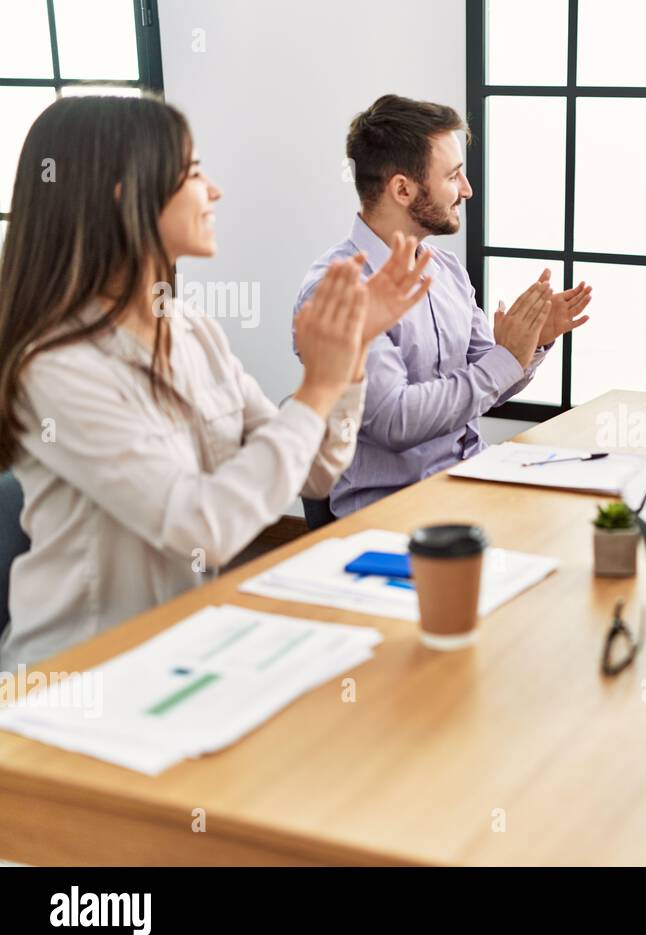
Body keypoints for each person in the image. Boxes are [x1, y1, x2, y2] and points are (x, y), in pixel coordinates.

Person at [0, 96, 426, 669]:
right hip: (82, 678)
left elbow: (318, 473)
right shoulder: (55, 368)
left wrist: (352, 357)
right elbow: (205, 526)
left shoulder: (191, 328)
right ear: (125, 195)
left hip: (182, 646)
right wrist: (318, 388)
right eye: (195, 173)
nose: (215, 192)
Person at [297, 95, 594, 517]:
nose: (467, 190)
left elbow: (487, 384)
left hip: (470, 483)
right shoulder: (337, 289)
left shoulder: (446, 268)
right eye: (454, 176)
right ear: (403, 189)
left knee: (585, 516)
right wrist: (506, 356)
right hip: (393, 513)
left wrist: (532, 343)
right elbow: (395, 421)